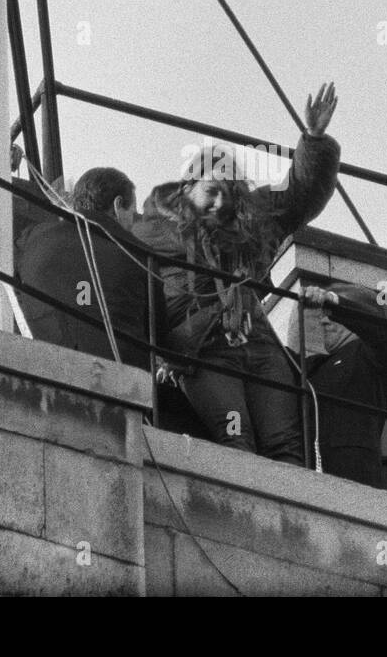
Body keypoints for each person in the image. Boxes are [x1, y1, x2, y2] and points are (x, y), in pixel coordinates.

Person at [133, 83, 341, 465]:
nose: (221, 202)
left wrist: (313, 140)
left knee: (287, 446)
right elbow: (102, 239)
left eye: (229, 193)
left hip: (256, 342)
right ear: (188, 187)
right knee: (236, 437)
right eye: (212, 191)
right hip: (200, 349)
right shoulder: (151, 231)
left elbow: (300, 194)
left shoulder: (251, 220)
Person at [14, 166, 151, 369]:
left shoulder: (31, 238)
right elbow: (157, 332)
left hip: (38, 358)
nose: (133, 222)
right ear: (118, 204)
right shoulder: (139, 255)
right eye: (132, 211)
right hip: (119, 370)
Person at [290, 282, 387, 488]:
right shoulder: (315, 366)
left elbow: (385, 335)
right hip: (307, 473)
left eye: (331, 315)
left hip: (353, 473)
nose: (324, 321)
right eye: (324, 314)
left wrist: (335, 302)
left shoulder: (373, 357)